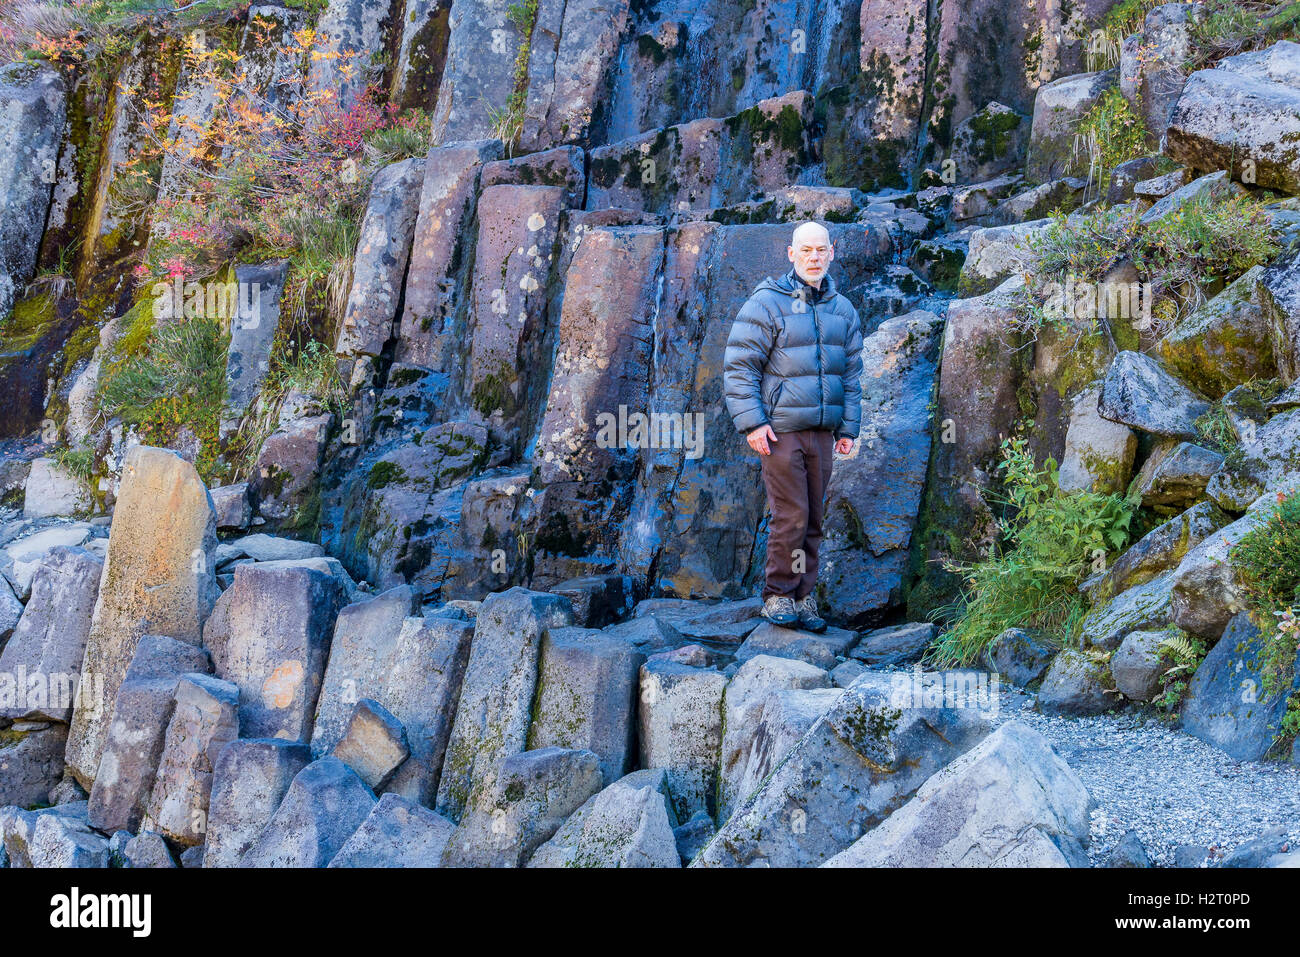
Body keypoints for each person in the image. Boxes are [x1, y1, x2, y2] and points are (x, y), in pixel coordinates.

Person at [723, 221, 862, 632]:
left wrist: (848, 429)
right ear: (791, 254)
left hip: (823, 432)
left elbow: (852, 376)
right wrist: (752, 423)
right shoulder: (767, 303)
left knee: (815, 517)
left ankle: (804, 598)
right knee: (792, 514)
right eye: (806, 250)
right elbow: (738, 367)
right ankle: (778, 595)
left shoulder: (843, 309)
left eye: (821, 250)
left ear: (832, 253)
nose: (814, 257)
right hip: (780, 432)